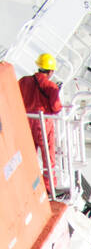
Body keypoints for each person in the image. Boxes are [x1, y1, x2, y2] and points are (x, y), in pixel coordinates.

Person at [18, 53, 62, 190]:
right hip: (43, 123)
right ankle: (49, 187)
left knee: (28, 153)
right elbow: (56, 108)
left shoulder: (24, 81)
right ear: (50, 71)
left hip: (26, 121)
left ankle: (26, 181)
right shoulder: (51, 86)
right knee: (48, 157)